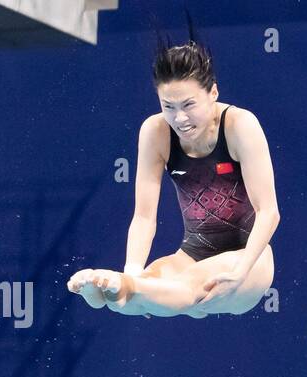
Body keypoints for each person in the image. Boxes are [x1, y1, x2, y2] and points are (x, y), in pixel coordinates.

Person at [67, 38, 278, 317]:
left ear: (213, 92)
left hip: (250, 259)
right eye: (168, 106)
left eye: (189, 104)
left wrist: (241, 271)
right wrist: (133, 272)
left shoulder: (240, 125)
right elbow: (143, 217)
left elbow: (269, 212)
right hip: (193, 252)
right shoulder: (155, 132)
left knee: (189, 286)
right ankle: (116, 295)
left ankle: (125, 291)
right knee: (142, 293)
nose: (179, 118)